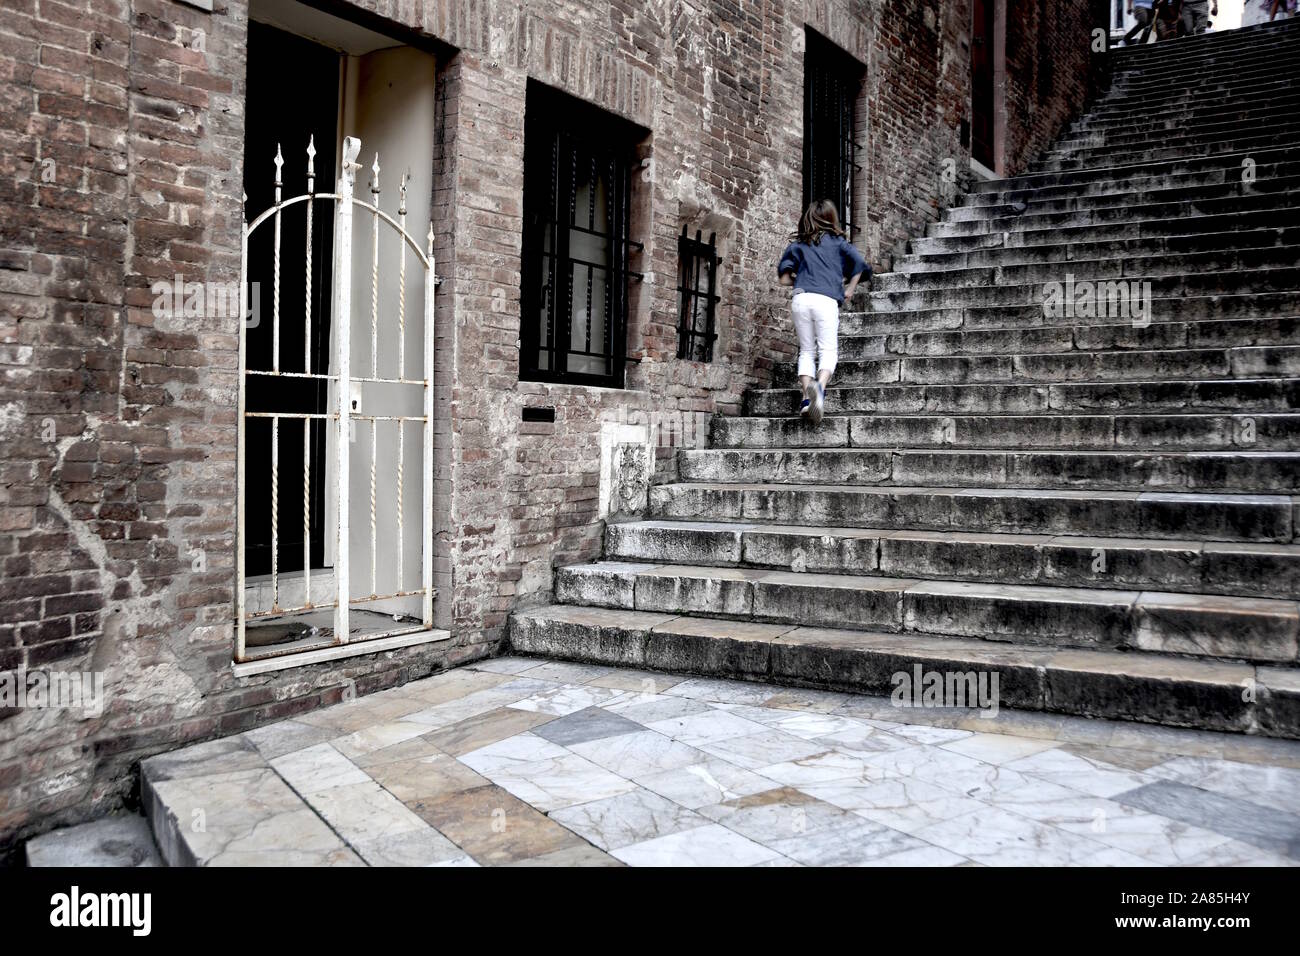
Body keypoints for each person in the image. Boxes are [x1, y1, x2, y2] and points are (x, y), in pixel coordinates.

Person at [776, 200, 871, 426]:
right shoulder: (839, 243)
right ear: (831, 218)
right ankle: (819, 386)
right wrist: (849, 289)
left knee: (807, 350)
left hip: (801, 298)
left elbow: (783, 279)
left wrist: (802, 280)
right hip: (826, 299)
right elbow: (860, 265)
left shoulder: (797, 245)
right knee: (827, 349)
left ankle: (806, 400)